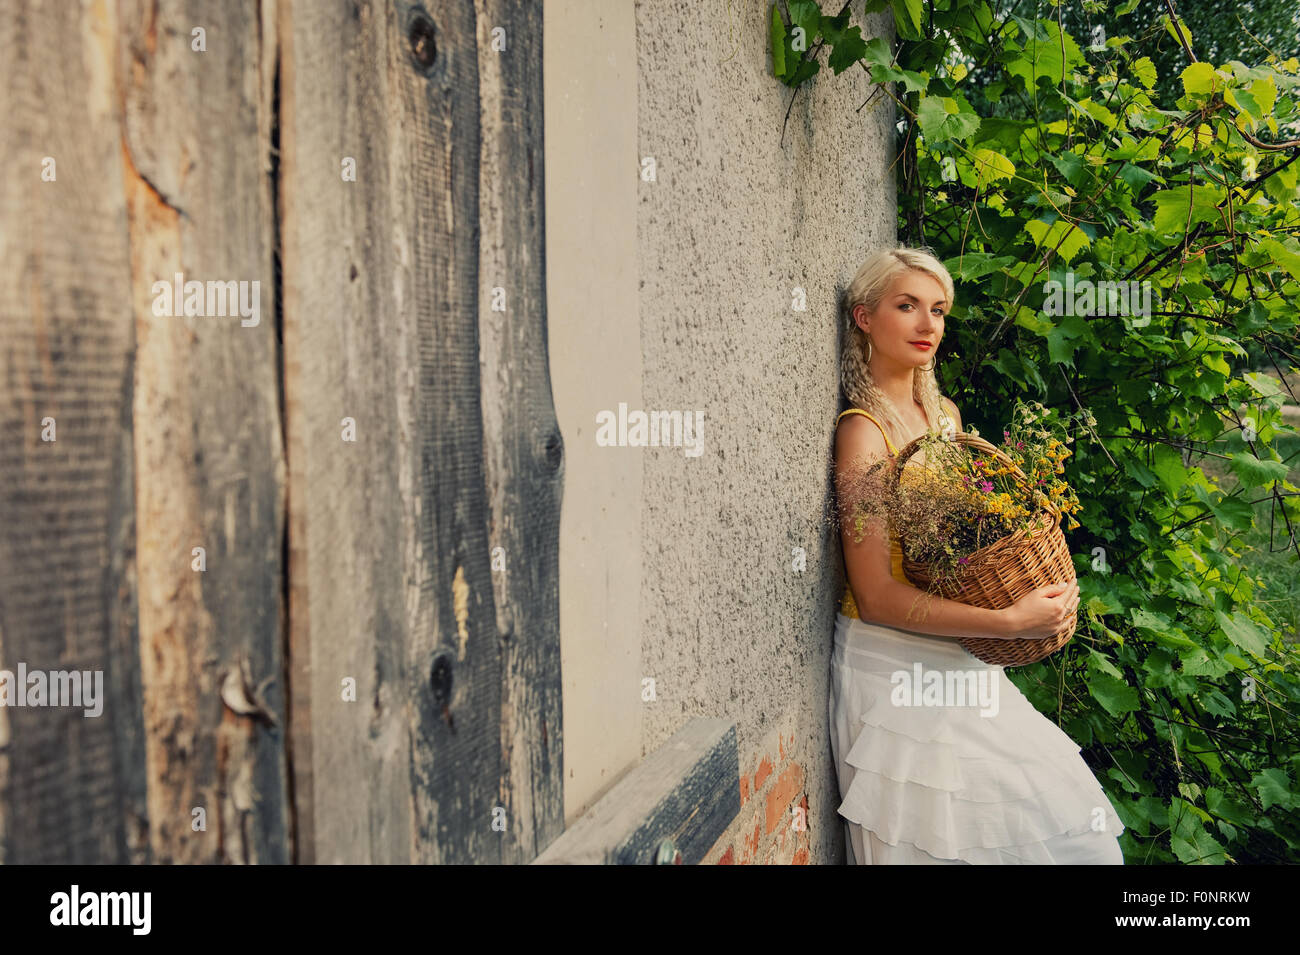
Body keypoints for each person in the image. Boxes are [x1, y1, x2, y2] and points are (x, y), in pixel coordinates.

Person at [829, 246, 1125, 864]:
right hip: (895, 672)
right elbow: (878, 597)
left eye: (937, 310)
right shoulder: (863, 433)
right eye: (906, 306)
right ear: (863, 318)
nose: (927, 324)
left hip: (963, 657)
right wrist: (1008, 623)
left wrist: (1030, 596)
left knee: (1077, 840)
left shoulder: (944, 419)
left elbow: (963, 560)